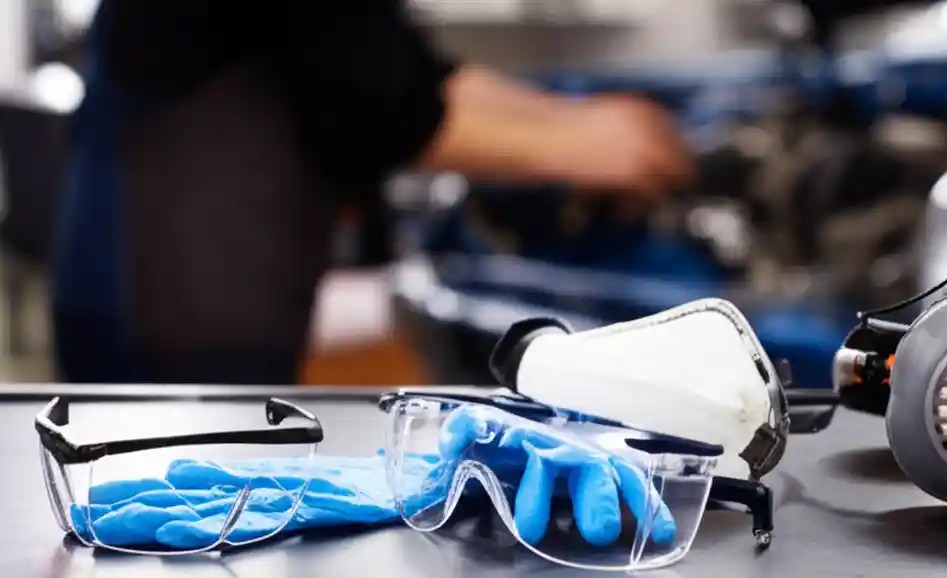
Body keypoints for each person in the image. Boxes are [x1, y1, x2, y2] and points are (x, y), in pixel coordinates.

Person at [54, 1, 694, 383]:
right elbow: (380, 112)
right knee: (184, 523)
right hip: (170, 290)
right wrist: (578, 147)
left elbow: (404, 70)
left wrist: (578, 121)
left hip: (181, 273)